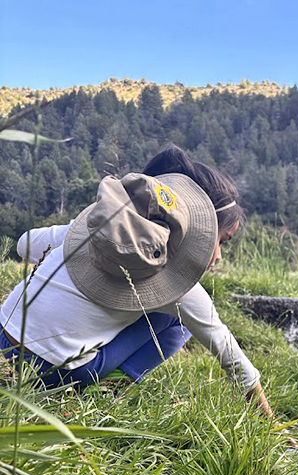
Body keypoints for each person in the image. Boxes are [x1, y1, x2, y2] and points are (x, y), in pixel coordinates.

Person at [0, 144, 278, 425]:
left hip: (4, 339)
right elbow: (233, 358)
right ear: (198, 233)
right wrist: (270, 425)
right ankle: (104, 394)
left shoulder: (96, 226)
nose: (217, 255)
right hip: (54, 373)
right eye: (219, 241)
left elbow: (25, 245)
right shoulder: (182, 288)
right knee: (179, 323)